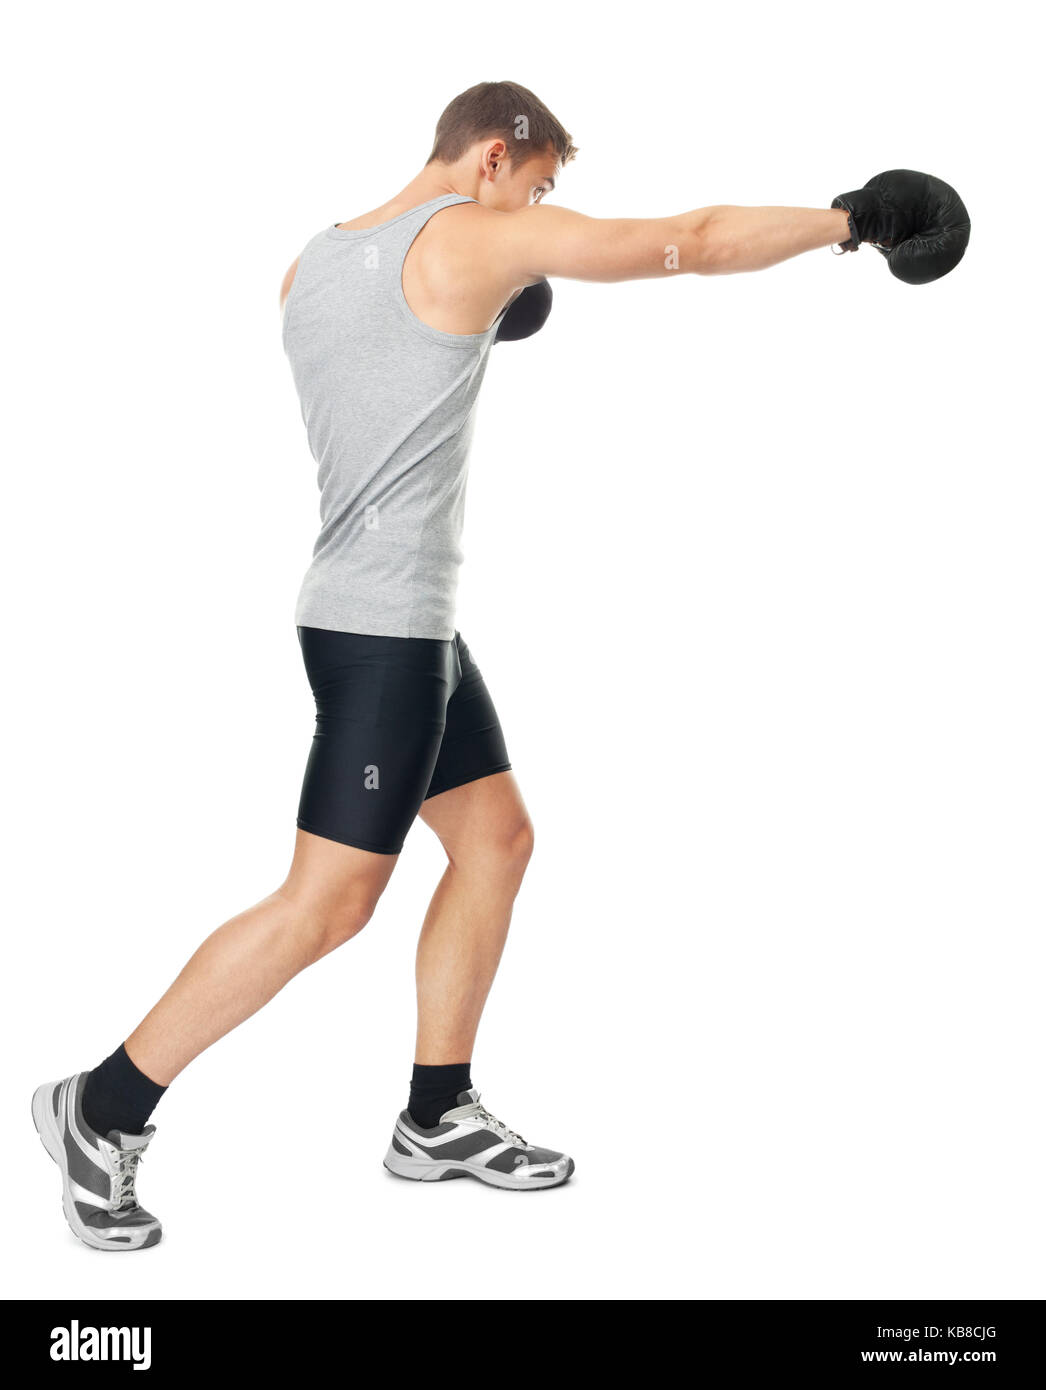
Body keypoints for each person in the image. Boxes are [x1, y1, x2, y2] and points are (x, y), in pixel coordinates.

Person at [30, 80, 909, 1250]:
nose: (540, 209)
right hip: (387, 632)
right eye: (541, 187)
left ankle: (435, 1115)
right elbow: (687, 243)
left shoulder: (312, 260)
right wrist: (849, 222)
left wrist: (487, 309)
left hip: (385, 618)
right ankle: (100, 1105)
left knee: (494, 840)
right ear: (496, 157)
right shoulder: (472, 236)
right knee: (327, 902)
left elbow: (392, 357)